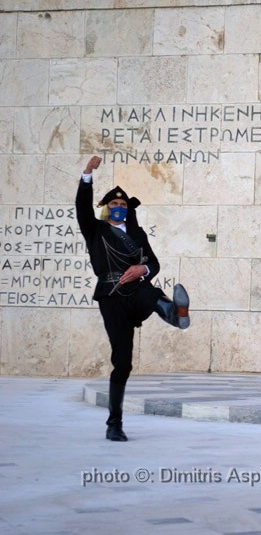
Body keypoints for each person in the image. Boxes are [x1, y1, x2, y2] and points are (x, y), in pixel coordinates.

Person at [76, 155, 190, 442]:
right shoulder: (96, 231)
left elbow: (154, 263)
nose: (118, 208)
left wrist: (144, 267)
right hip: (111, 297)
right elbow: (81, 207)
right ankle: (114, 423)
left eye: (122, 205)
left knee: (149, 291)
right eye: (113, 204)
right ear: (105, 209)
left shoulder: (137, 234)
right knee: (123, 363)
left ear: (128, 210)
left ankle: (175, 314)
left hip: (136, 292)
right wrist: (87, 174)